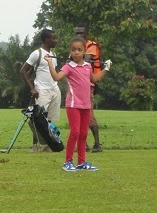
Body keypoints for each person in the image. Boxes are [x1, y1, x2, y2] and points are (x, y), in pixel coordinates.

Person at [44, 36, 110, 171]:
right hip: (73, 105)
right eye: (74, 50)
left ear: (84, 51)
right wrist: (49, 62)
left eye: (79, 50)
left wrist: (106, 69)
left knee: (83, 134)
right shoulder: (69, 67)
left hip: (86, 105)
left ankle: (81, 162)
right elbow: (56, 77)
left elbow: (94, 79)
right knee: (75, 132)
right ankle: (68, 162)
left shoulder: (87, 66)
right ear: (70, 51)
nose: (77, 53)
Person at [21, 28, 61, 152]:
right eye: (53, 38)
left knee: (49, 120)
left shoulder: (53, 54)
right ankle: (35, 145)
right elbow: (23, 71)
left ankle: (48, 145)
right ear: (46, 39)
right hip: (41, 90)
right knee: (39, 119)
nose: (55, 41)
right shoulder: (37, 53)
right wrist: (32, 88)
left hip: (54, 89)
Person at [75, 25, 104, 152]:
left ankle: (97, 144)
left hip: (89, 84)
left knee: (89, 114)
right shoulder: (77, 47)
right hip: (77, 84)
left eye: (82, 33)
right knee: (79, 114)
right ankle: (84, 144)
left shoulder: (91, 46)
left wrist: (72, 58)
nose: (79, 35)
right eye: (77, 33)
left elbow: (85, 60)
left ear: (86, 35)